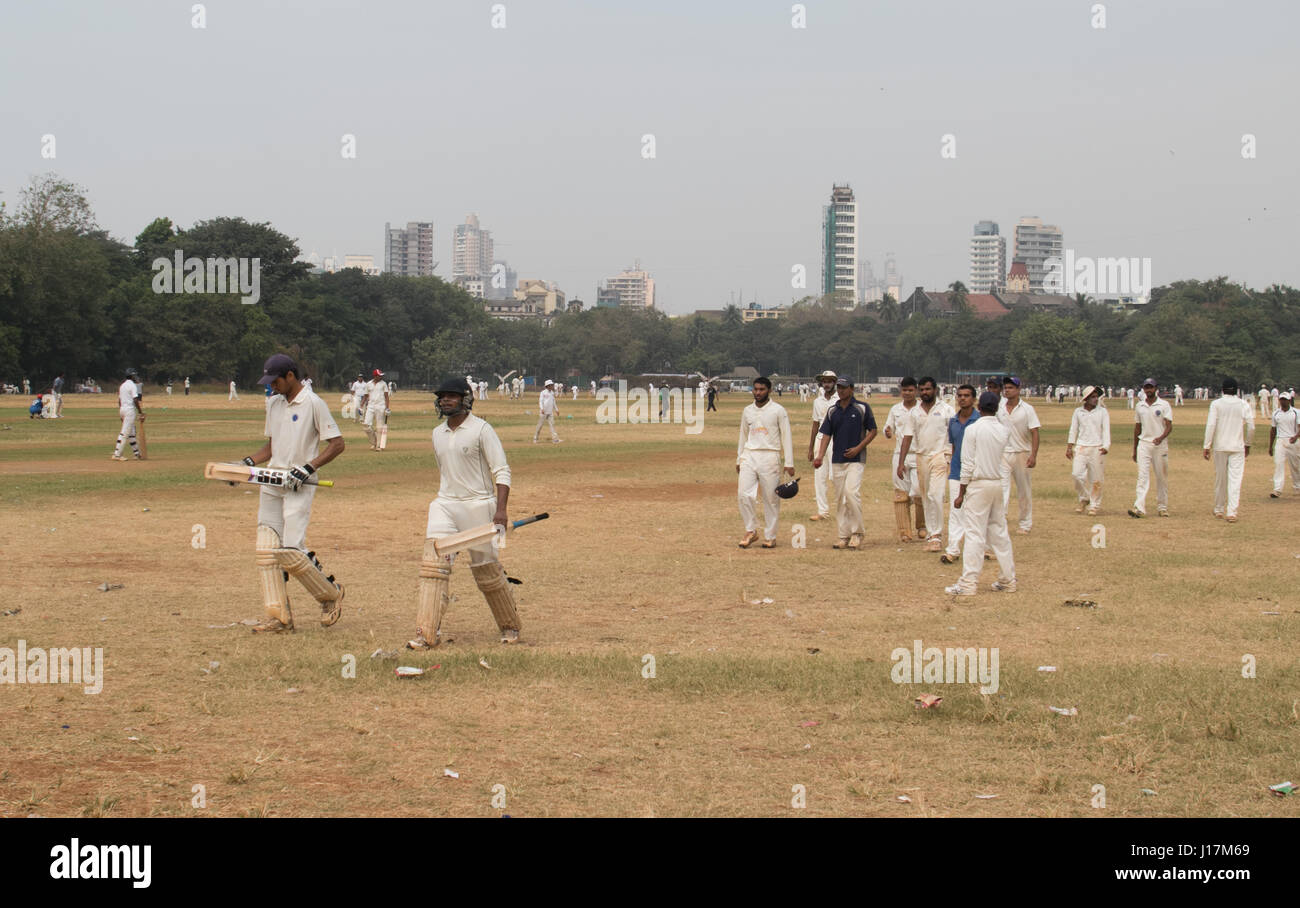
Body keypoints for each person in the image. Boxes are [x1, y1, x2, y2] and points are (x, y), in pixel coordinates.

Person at [408, 377, 521, 649]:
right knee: (433, 566)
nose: (446, 400)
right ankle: (426, 633)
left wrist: (501, 510)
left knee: (486, 571)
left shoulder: (482, 429)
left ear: (465, 399)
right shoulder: (437, 433)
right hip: (445, 504)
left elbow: (502, 470)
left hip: (479, 505)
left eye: (452, 396)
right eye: (442, 396)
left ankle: (509, 625)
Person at [239, 354, 345, 633]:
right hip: (272, 481)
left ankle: (330, 594)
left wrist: (309, 467)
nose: (271, 386)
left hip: (299, 484)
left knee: (290, 551)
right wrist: (248, 463)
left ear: (290, 376)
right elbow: (272, 447)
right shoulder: (273, 403)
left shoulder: (313, 403)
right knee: (266, 550)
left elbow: (337, 444)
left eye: (275, 381)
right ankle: (279, 617)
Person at [947, 392, 1016, 596]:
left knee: (974, 534)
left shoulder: (973, 429)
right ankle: (1007, 580)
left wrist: (961, 493)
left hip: (978, 485)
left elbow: (967, 465)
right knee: (999, 533)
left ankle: (968, 584)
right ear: (996, 408)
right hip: (996, 484)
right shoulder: (1003, 430)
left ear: (978, 406)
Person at [812, 376, 877, 549]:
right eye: (839, 387)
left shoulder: (862, 407)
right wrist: (819, 455)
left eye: (844, 387)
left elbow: (873, 431)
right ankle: (843, 535)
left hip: (856, 459)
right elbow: (826, 434)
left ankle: (857, 533)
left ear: (851, 389)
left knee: (851, 493)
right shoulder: (833, 410)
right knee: (840, 498)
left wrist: (858, 448)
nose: (840, 390)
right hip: (837, 459)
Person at [896, 377, 955, 552]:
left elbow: (954, 435)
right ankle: (931, 534)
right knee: (925, 496)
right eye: (922, 390)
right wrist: (901, 462)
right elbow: (907, 437)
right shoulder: (914, 412)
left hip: (940, 455)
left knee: (936, 495)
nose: (925, 393)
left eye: (928, 389)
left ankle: (936, 535)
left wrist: (952, 456)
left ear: (935, 390)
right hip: (921, 457)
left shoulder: (946, 410)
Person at [736, 376, 794, 549]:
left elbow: (786, 436)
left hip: (770, 456)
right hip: (750, 455)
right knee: (743, 494)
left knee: (771, 498)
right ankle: (751, 530)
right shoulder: (747, 411)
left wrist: (789, 462)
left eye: (761, 389)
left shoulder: (778, 410)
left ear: (769, 390)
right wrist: (739, 457)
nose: (758, 392)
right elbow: (743, 435)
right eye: (755, 389)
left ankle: (770, 535)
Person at [1203, 378, 1255, 522]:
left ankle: (1219, 509)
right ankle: (1232, 512)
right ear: (1236, 390)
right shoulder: (1243, 404)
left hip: (1220, 446)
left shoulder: (1216, 404)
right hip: (1237, 447)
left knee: (1221, 478)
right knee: (1235, 480)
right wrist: (1248, 444)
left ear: (1222, 389)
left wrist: (1207, 445)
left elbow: (1211, 425)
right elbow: (1251, 426)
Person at [940, 385, 980, 565]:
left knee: (977, 513)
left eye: (967, 396)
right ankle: (952, 550)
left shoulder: (980, 421)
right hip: (956, 472)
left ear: (974, 399)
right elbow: (954, 445)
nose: (963, 399)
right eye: (960, 396)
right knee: (956, 512)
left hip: (977, 473)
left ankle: (982, 548)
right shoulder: (954, 421)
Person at [998, 376, 1040, 533]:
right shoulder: (999, 408)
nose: (1007, 390)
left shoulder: (1027, 409)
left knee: (1023, 490)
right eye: (1005, 387)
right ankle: (1000, 522)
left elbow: (1035, 432)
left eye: (1011, 387)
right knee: (1002, 489)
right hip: (1003, 453)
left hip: (1022, 452)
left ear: (1018, 390)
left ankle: (1025, 523)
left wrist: (1033, 455)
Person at [884, 376, 923, 542]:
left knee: (919, 492)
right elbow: (889, 427)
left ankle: (922, 526)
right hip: (900, 455)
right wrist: (887, 431)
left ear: (916, 391)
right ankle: (904, 531)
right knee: (901, 495)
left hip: (919, 454)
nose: (907, 393)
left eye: (910, 390)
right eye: (904, 390)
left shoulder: (922, 408)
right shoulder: (895, 409)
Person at [1129, 378, 1173, 518]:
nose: (1149, 390)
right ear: (1143, 389)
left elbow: (1169, 426)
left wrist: (1161, 438)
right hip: (1144, 444)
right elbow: (1137, 428)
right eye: (1146, 387)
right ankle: (1139, 507)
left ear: (1156, 388)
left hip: (1160, 446)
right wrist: (1135, 449)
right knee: (1142, 476)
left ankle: (1162, 507)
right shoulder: (1140, 406)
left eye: (1151, 387)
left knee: (1161, 477)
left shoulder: (1164, 405)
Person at [1066, 385, 1110, 515]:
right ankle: (1085, 498)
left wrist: (1106, 446)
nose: (1096, 399)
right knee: (1076, 475)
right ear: (1086, 398)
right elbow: (1073, 430)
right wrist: (1069, 447)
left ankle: (1094, 505)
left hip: (1097, 447)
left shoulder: (1102, 412)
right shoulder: (1078, 412)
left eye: (1097, 396)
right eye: (1093, 397)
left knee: (1096, 479)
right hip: (1081, 446)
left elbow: (1106, 430)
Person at [807, 370, 838, 523]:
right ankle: (822, 511)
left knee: (835, 476)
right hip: (820, 438)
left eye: (829, 381)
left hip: (836, 439)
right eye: (824, 381)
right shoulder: (817, 401)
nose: (826, 384)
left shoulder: (840, 399)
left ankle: (842, 508)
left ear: (834, 382)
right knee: (820, 477)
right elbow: (815, 424)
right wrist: (810, 447)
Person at [1269, 391, 1299, 499]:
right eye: (1281, 399)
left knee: (1295, 466)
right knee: (1278, 464)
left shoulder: (1296, 412)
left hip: (1293, 441)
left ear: (1289, 400)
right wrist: (1270, 446)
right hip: (1280, 441)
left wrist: (1296, 437)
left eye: (1285, 399)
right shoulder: (1276, 413)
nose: (1283, 401)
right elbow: (1273, 430)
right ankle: (1277, 489)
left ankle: (1297, 487)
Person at [112, 369, 145, 461]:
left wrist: (121, 413)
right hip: (129, 410)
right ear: (131, 376)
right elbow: (135, 400)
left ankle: (136, 453)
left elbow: (119, 400)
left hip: (122, 409)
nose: (136, 377)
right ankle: (117, 454)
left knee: (131, 433)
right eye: (134, 375)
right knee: (125, 433)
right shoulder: (132, 385)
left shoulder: (122, 385)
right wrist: (140, 412)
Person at [364, 368, 390, 451]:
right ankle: (374, 442)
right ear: (375, 376)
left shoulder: (383, 384)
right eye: (379, 376)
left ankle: (378, 446)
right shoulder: (368, 384)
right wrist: (361, 406)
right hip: (370, 406)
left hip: (381, 406)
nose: (381, 377)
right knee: (366, 426)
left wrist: (387, 408)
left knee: (379, 427)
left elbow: (386, 396)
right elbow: (365, 396)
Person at [532, 379, 561, 443]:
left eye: (552, 385)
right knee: (540, 425)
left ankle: (555, 439)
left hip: (550, 412)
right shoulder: (543, 392)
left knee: (552, 425)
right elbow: (540, 401)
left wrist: (556, 410)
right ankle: (535, 438)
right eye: (551, 385)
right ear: (547, 386)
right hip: (544, 411)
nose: (552, 386)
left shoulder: (552, 393)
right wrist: (541, 409)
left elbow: (554, 402)